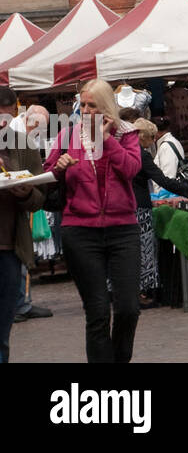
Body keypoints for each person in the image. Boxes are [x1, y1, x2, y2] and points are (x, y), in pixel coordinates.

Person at [45, 78, 143, 364]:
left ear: (107, 109)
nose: (85, 111)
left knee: (128, 308)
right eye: (83, 105)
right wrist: (59, 168)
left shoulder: (126, 134)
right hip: (80, 231)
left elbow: (131, 170)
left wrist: (107, 141)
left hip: (123, 229)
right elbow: (48, 174)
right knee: (98, 311)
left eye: (93, 106)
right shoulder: (66, 136)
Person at [0, 87, 49, 360]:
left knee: (2, 334)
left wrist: (26, 192)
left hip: (8, 247)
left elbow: (38, 198)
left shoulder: (23, 145)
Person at [129, 120, 188, 308]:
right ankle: (142, 293)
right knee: (145, 250)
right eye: (151, 137)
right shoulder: (142, 156)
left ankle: (132, 292)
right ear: (144, 136)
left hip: (127, 206)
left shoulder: (125, 152)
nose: (153, 140)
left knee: (132, 251)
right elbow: (163, 180)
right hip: (140, 207)